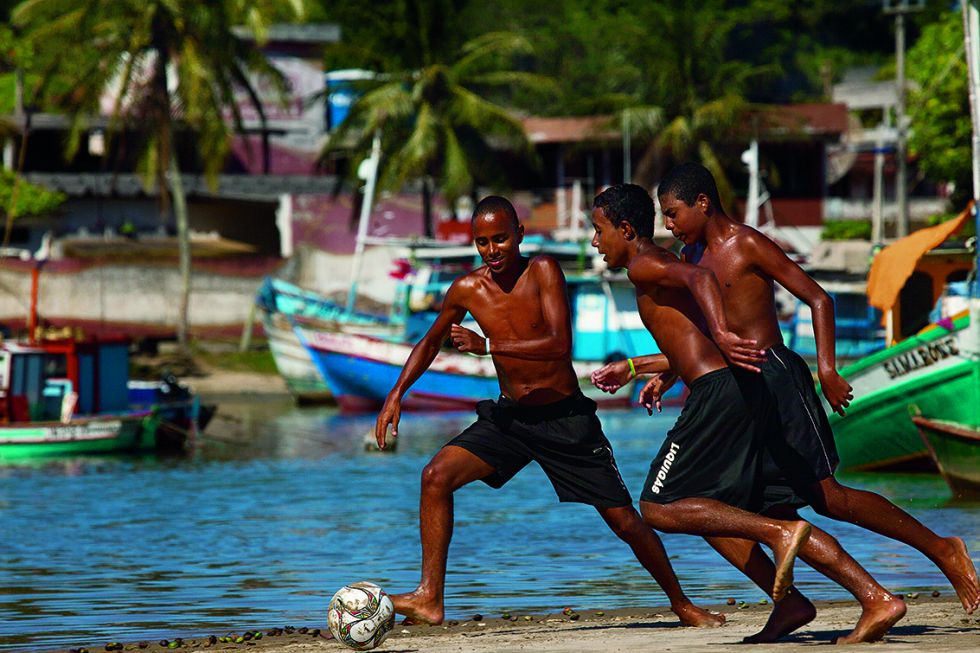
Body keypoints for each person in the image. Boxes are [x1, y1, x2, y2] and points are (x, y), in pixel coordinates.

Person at [374, 195, 724, 628]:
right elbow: (430, 341)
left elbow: (559, 344)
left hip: (565, 420)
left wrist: (487, 345)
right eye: (482, 242)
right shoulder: (467, 289)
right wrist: (396, 393)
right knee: (435, 476)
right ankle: (430, 597)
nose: (492, 250)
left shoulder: (543, 270)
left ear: (519, 234)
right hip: (510, 419)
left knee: (623, 520)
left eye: (501, 239)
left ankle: (682, 604)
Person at [651, 162, 980, 617]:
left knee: (829, 497)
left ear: (702, 203)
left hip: (779, 379)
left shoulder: (746, 243)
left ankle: (942, 549)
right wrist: (668, 372)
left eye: (673, 213)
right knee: (750, 509)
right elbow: (708, 335)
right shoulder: (689, 258)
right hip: (741, 394)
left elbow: (818, 298)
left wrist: (827, 368)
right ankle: (854, 602)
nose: (668, 225)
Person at [586, 184, 820, 611]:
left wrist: (725, 335)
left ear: (626, 229)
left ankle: (779, 533)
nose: (594, 242)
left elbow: (702, 278)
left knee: (658, 506)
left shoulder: (643, 265)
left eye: (599, 231)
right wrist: (652, 370)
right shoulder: (660, 261)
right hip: (724, 385)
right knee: (706, 508)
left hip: (716, 391)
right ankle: (792, 604)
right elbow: (690, 338)